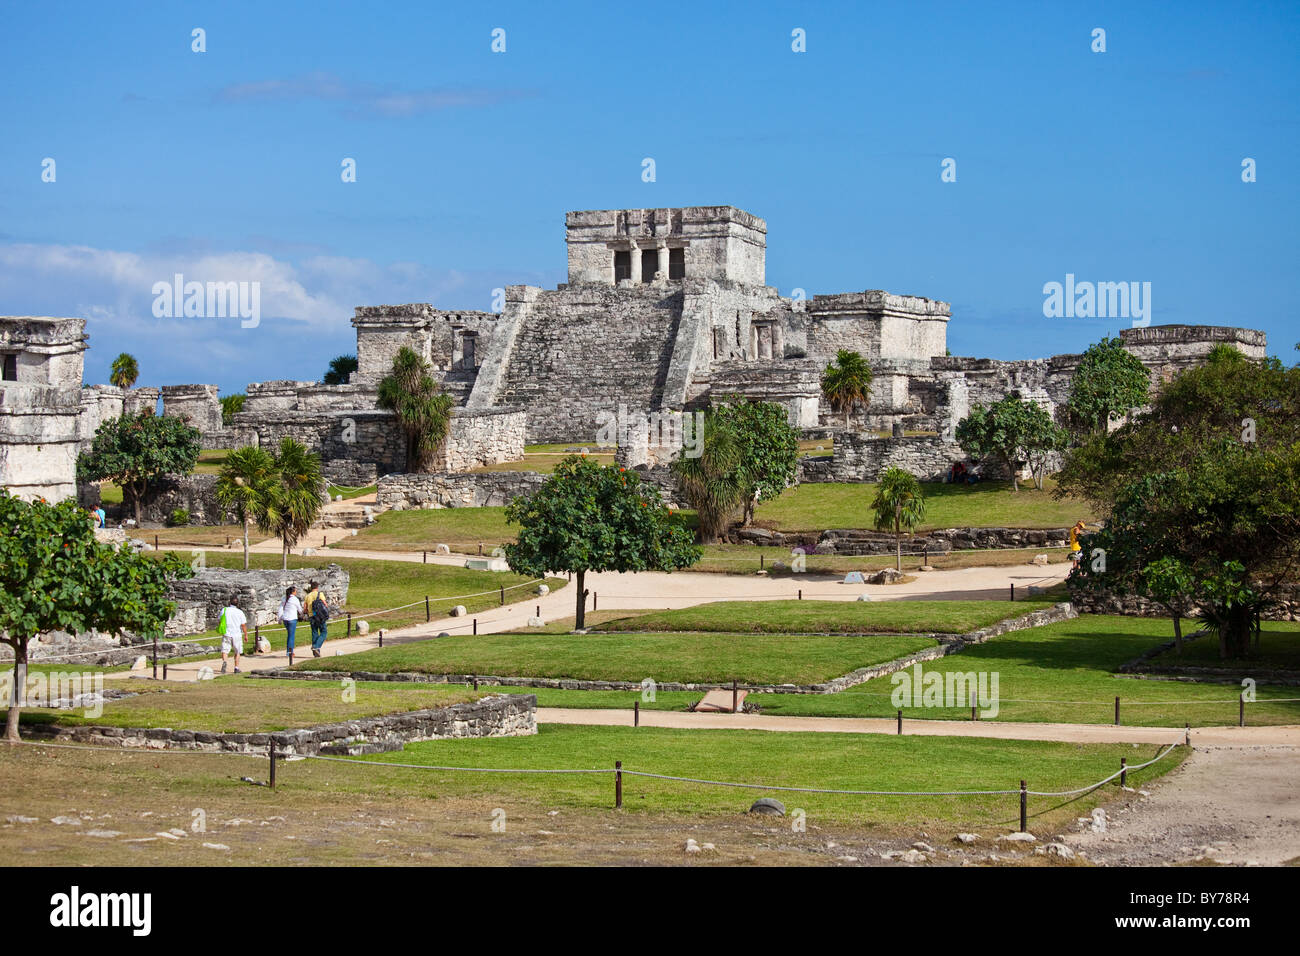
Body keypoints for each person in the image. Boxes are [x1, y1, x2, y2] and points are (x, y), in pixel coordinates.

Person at [218, 595, 248, 674]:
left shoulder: (224, 610)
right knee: (237, 651)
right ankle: (236, 667)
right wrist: (245, 635)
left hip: (227, 633)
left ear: (229, 602)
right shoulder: (240, 612)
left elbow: (220, 620)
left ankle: (225, 661)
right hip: (236, 634)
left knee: (225, 649)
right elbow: (243, 625)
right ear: (237, 603)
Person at [278, 586, 303, 657]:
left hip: (285, 618)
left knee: (289, 635)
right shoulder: (295, 599)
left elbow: (280, 609)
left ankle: (289, 651)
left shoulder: (284, 598)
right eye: (295, 591)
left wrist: (280, 619)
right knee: (291, 636)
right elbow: (299, 609)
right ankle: (289, 652)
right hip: (292, 619)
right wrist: (302, 614)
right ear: (293, 592)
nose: (296, 592)